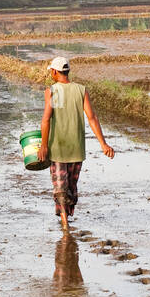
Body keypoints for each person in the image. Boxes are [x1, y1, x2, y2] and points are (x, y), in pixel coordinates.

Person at [37, 56, 113, 231]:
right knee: (70, 186)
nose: (51, 74)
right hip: (76, 148)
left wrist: (44, 145)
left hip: (58, 148)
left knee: (61, 187)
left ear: (55, 72)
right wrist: (103, 144)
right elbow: (92, 117)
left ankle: (65, 222)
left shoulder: (52, 91)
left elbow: (46, 120)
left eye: (51, 71)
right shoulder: (81, 90)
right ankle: (65, 222)